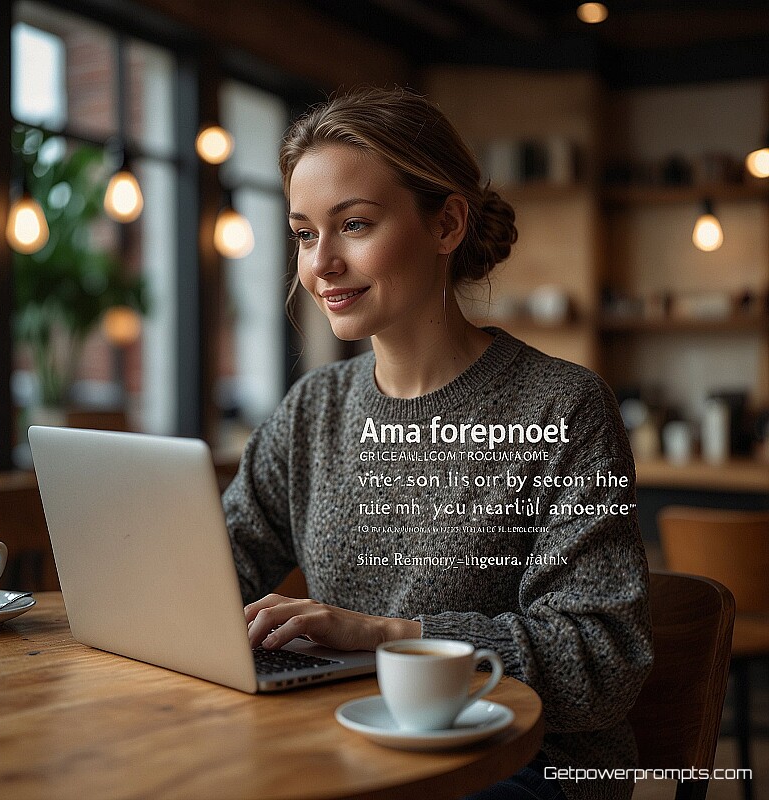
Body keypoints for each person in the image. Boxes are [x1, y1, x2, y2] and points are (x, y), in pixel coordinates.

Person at [222, 87, 653, 800]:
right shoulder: (313, 411)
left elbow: (600, 662)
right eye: (303, 233)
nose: (320, 263)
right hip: (350, 744)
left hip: (525, 765)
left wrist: (389, 636)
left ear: (447, 223)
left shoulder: (563, 407)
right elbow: (219, 572)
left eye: (352, 224)